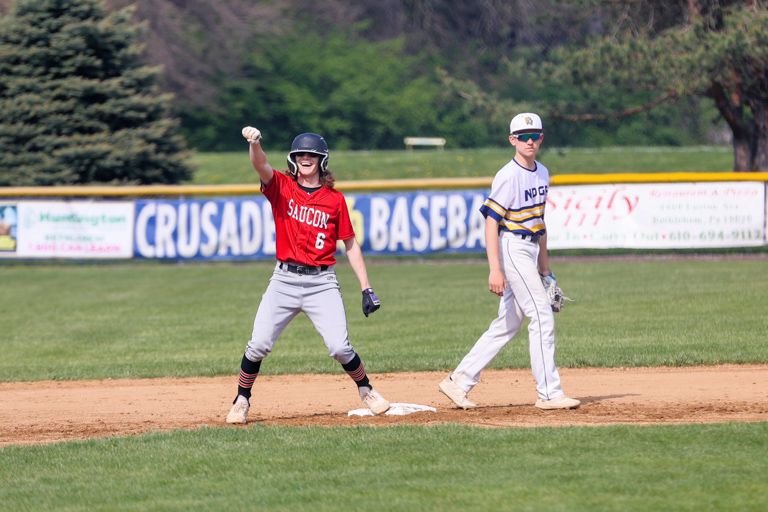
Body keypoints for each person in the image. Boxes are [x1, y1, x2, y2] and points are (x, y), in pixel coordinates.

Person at [226, 127, 390, 424]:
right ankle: (241, 400)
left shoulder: (334, 200)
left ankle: (366, 389)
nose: (305, 158)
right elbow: (259, 164)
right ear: (293, 159)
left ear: (322, 160)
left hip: (321, 282)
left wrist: (366, 287)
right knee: (259, 343)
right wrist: (255, 143)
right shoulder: (281, 187)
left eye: (311, 155)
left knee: (340, 347)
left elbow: (350, 244)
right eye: (300, 154)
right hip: (284, 279)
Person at [438, 113, 581, 411]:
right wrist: (495, 268)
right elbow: (492, 222)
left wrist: (546, 270)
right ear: (512, 140)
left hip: (530, 249)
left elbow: (540, 223)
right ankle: (549, 393)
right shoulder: (508, 175)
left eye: (535, 135)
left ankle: (458, 381)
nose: (530, 141)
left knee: (509, 323)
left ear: (541, 138)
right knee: (542, 317)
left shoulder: (543, 172)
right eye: (523, 136)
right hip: (512, 248)